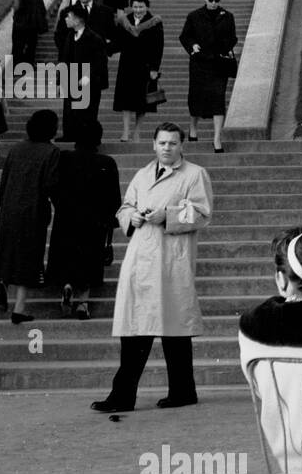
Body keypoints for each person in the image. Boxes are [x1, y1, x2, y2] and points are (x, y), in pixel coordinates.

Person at [91, 122, 212, 413]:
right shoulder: (143, 174)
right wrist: (131, 216)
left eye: (173, 143)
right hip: (141, 257)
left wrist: (166, 215)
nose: (167, 148)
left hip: (171, 259)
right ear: (153, 145)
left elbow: (202, 212)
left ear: (182, 145)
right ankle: (123, 395)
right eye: (162, 143)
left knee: (175, 333)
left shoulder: (195, 174)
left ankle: (182, 391)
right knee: (135, 332)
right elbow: (125, 206)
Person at [46, 117, 120, 320]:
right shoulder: (107, 162)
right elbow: (114, 198)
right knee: (89, 260)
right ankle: (83, 302)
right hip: (94, 220)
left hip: (67, 216)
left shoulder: (64, 158)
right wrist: (110, 223)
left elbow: (52, 185)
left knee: (67, 254)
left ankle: (67, 284)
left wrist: (60, 204)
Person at [0, 110, 61, 323]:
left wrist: (2, 204)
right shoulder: (51, 152)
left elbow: (4, 180)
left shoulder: (16, 149)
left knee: (6, 252)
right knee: (29, 258)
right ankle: (19, 308)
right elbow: (51, 185)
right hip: (33, 211)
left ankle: (0, 287)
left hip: (9, 209)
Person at [179, 0, 238, 153]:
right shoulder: (194, 16)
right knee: (196, 97)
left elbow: (232, 38)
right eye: (211, 0)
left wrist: (223, 48)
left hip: (219, 63)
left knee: (218, 99)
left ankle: (217, 138)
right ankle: (193, 129)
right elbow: (185, 36)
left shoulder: (227, 16)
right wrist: (193, 46)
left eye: (217, 0)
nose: (214, 3)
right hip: (200, 63)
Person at [112, 0, 165, 144]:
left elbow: (158, 46)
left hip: (145, 66)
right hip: (127, 64)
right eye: (135, 6)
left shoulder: (154, 21)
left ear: (147, 7)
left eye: (141, 7)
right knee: (125, 100)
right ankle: (125, 132)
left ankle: (137, 132)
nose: (138, 10)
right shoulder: (126, 20)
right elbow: (118, 41)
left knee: (142, 102)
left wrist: (155, 68)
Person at [58, 1, 110, 144]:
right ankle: (69, 135)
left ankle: (86, 138)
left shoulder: (94, 38)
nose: (65, 19)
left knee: (87, 112)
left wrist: (87, 77)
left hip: (88, 82)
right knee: (69, 110)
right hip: (71, 79)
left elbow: (100, 62)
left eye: (68, 16)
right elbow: (64, 59)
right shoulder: (69, 36)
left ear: (78, 19)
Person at [10, 0, 48, 67]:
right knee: (31, 48)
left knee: (17, 47)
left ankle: (15, 67)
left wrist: (15, 17)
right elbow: (43, 11)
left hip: (20, 26)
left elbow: (17, 7)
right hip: (33, 27)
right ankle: (29, 66)